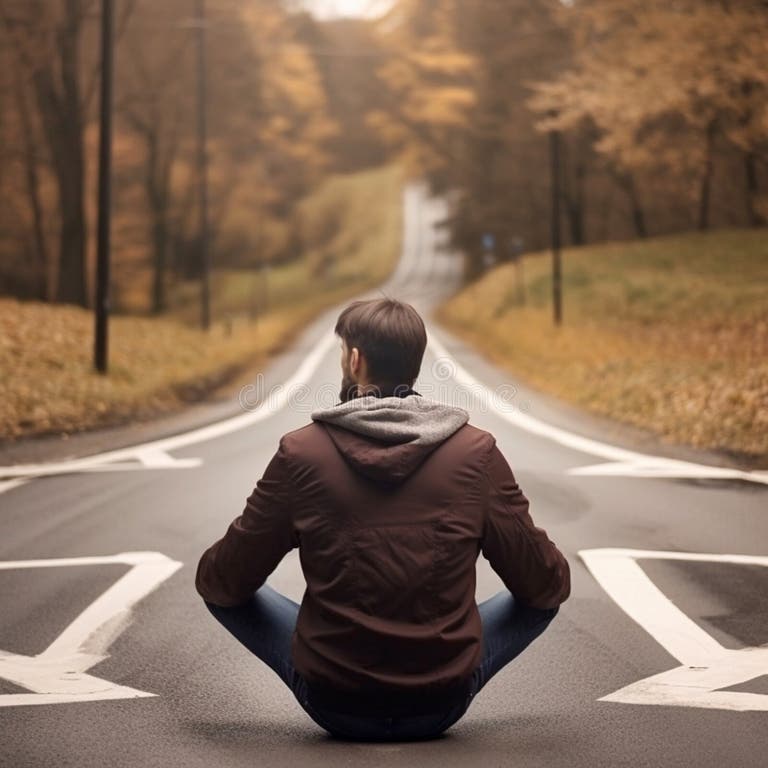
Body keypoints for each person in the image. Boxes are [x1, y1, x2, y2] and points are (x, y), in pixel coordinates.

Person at [195, 298, 570, 742]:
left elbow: (224, 582)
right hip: (439, 703)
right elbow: (546, 584)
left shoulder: (301, 453)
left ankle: (333, 655)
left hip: (336, 703)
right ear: (414, 365)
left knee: (220, 586)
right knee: (541, 594)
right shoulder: (476, 453)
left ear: (355, 360)